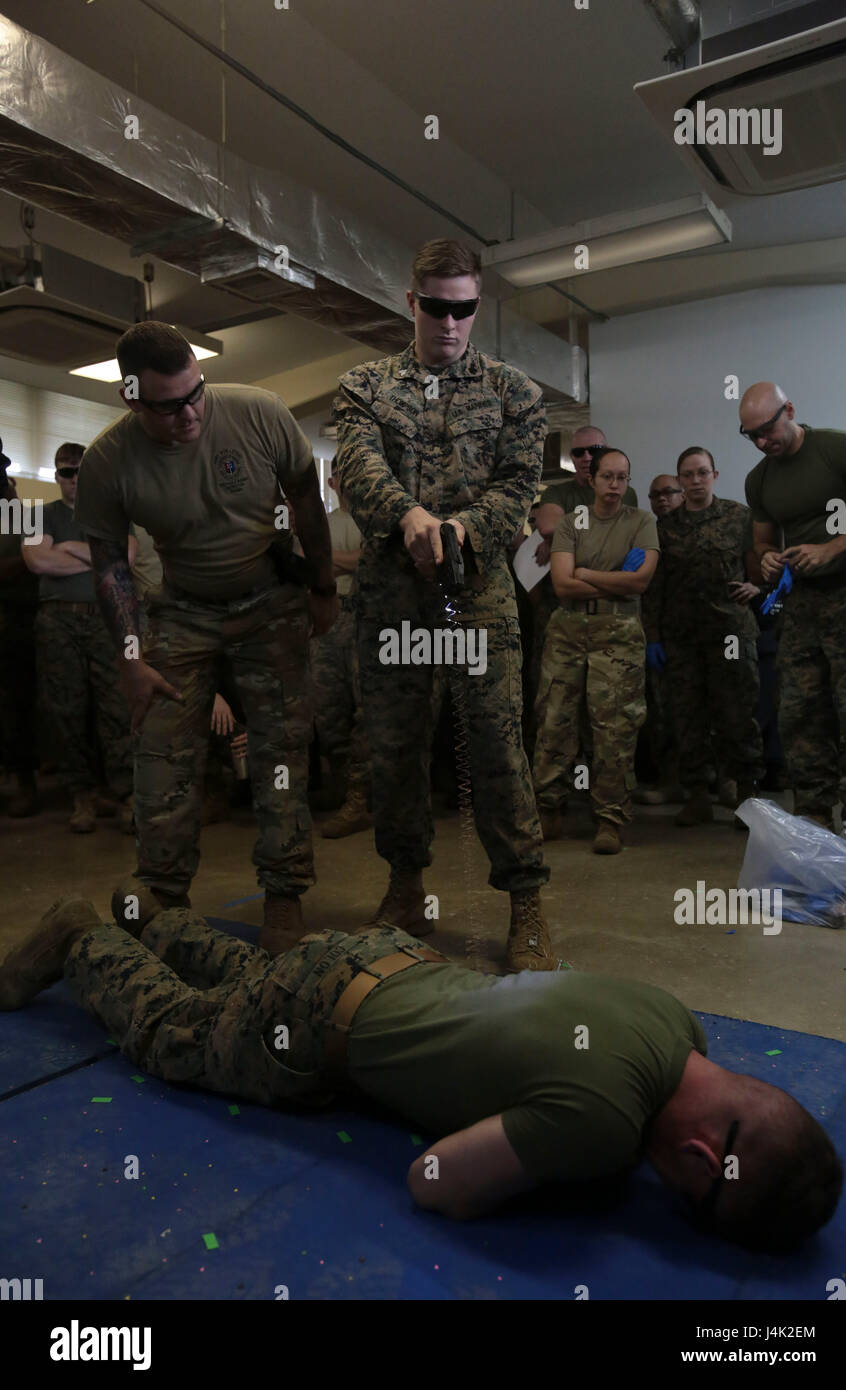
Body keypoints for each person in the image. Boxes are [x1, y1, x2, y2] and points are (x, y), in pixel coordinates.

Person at [0, 889, 843, 1255]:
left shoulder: (678, 1023)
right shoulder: (601, 1128)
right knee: (169, 1033)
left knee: (241, 976)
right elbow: (433, 1179)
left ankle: (150, 912)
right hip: (310, 1026)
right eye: (687, 1202)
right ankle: (84, 937)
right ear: (701, 1163)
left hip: (385, 959)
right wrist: (556, 1165)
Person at [73, 322, 338, 954]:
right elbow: (109, 565)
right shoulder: (109, 461)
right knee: (160, 755)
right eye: (169, 406)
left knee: (280, 757)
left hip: (270, 600)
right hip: (183, 611)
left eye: (197, 393)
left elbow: (306, 499)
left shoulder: (258, 413)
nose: (191, 414)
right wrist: (132, 656)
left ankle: (284, 895)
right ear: (132, 398)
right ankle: (163, 899)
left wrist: (322, 589)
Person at [334, 238, 554, 972]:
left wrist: (465, 527)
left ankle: (525, 902)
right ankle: (405, 886)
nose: (450, 323)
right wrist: (408, 516)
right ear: (412, 302)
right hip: (393, 597)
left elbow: (520, 484)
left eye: (464, 309)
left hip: (478, 595)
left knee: (495, 745)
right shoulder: (365, 384)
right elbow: (355, 463)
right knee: (393, 748)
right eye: (437, 307)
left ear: (476, 307)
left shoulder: (516, 393)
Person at [741, 383, 846, 841]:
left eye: (767, 430)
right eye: (749, 435)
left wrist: (834, 548)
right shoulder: (760, 479)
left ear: (789, 411)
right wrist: (769, 560)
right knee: (800, 711)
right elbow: (760, 544)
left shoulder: (842, 449)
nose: (760, 442)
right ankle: (814, 812)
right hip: (802, 605)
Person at [532, 448, 659, 854]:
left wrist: (585, 572)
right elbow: (562, 585)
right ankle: (549, 810)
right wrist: (612, 579)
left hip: (618, 631)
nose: (615, 486)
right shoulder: (572, 523)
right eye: (608, 477)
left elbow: (640, 583)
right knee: (554, 720)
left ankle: (610, 818)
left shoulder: (641, 521)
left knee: (615, 726)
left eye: (623, 478)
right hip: (568, 629)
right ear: (593, 479)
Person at [642, 447, 764, 829]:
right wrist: (654, 637)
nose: (695, 481)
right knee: (687, 717)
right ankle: (697, 796)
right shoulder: (664, 527)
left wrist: (756, 586)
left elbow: (760, 562)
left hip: (730, 633)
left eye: (702, 473)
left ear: (714, 474)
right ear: (680, 480)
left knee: (737, 715)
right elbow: (655, 588)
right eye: (688, 475)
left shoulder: (739, 517)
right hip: (682, 640)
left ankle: (746, 796)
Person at [22, 443, 135, 833]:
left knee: (116, 707)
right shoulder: (41, 516)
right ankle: (81, 795)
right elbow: (37, 560)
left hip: (105, 620)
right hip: (58, 621)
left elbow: (126, 559)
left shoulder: (109, 514)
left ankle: (125, 794)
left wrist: (67, 547)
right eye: (65, 473)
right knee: (65, 709)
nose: (72, 479)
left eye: (79, 472)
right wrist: (95, 557)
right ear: (56, 476)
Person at [308, 470, 372, 839]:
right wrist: (341, 560)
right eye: (339, 476)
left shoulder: (372, 520)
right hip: (326, 615)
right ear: (331, 483)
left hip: (364, 616)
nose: (347, 482)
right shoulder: (320, 521)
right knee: (328, 708)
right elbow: (307, 563)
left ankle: (361, 796)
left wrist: (327, 560)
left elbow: (367, 562)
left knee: (366, 708)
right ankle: (344, 786)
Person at [634, 475, 685, 805]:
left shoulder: (725, 519)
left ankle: (726, 784)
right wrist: (652, 636)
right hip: (663, 636)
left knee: (719, 711)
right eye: (655, 495)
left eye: (669, 493)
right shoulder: (648, 533)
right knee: (665, 715)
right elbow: (648, 592)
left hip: (706, 634)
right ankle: (673, 781)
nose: (662, 499)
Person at [0, 447, 40, 816]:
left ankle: (23, 781)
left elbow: (36, 560)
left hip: (16, 624)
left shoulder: (15, 512)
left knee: (17, 708)